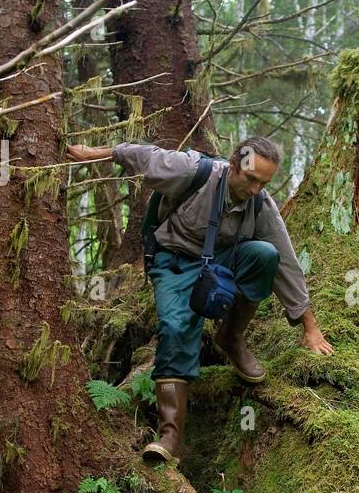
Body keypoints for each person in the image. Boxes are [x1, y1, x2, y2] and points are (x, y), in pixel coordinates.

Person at [67, 137, 333, 464]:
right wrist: (91, 153)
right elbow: (143, 156)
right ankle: (171, 438)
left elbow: (288, 264)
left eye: (263, 183)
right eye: (250, 179)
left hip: (220, 262)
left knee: (266, 255)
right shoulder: (193, 170)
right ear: (233, 166)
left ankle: (231, 338)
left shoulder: (260, 204)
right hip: (175, 261)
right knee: (176, 329)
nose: (254, 189)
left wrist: (309, 327)